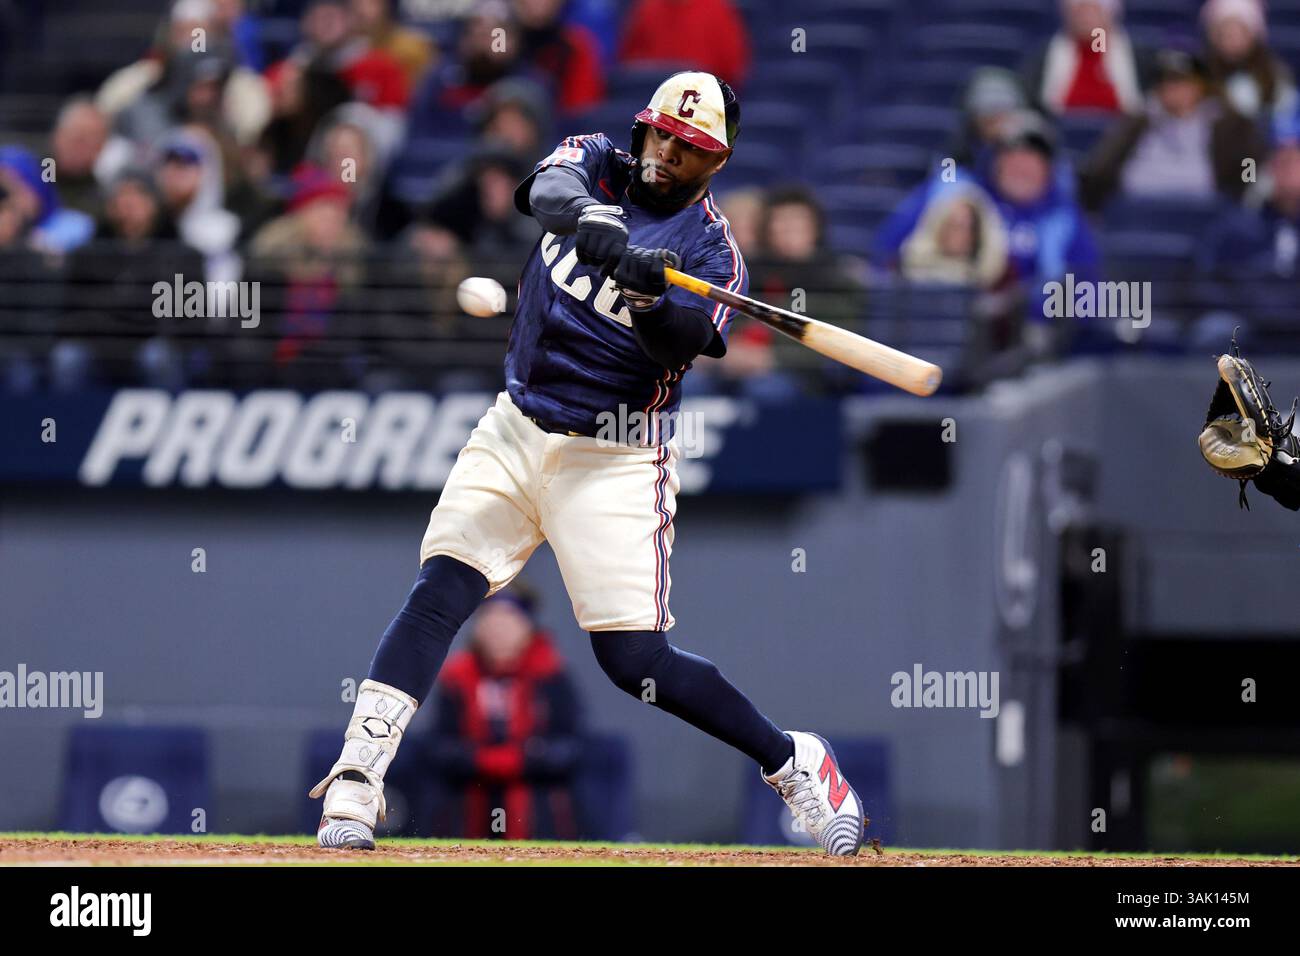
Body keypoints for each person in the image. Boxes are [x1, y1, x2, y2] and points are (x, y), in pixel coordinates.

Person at [309, 71, 867, 856]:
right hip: (515, 428)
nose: (667, 153)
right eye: (661, 135)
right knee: (440, 590)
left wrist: (646, 297)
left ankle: (795, 760)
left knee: (634, 660)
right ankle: (357, 784)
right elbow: (543, 191)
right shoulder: (599, 160)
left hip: (613, 459)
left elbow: (682, 343)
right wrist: (596, 219)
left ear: (716, 164)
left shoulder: (712, 252)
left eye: (691, 148)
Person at [426, 586, 584, 840]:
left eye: (508, 621)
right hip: (469, 794)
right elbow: (439, 746)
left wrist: (521, 760)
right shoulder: (457, 675)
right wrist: (482, 761)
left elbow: (570, 746)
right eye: (490, 620)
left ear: (527, 628)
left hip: (535, 799)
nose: (498, 631)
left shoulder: (550, 674)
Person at [1077, 48, 1265, 210]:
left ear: (1200, 85)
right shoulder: (1137, 121)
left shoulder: (1229, 124)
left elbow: (1250, 165)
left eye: (1180, 80)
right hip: (1139, 212)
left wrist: (1243, 195)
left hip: (1204, 216)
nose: (1172, 88)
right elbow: (1099, 167)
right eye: (1165, 81)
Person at [1025, 0, 1143, 116]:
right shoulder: (1045, 54)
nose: (1086, 18)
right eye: (1081, 11)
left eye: (1094, 11)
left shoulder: (1136, 55)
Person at [1201, 0, 1296, 122]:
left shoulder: (1274, 73)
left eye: (1239, 34)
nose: (1232, 42)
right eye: (1224, 35)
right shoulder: (1202, 75)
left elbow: (1287, 119)